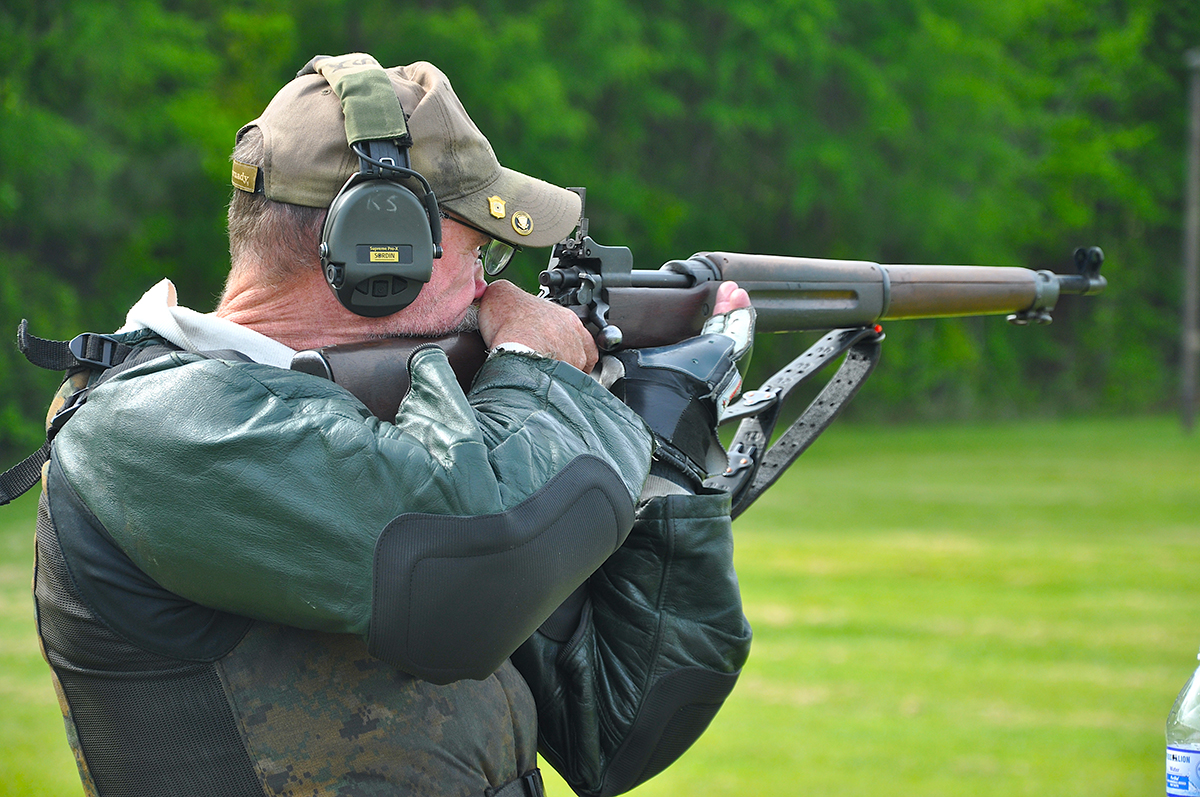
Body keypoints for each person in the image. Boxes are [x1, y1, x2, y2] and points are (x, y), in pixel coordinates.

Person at [29, 54, 752, 797]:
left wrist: (669, 437)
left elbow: (621, 729)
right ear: (382, 248)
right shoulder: (153, 426)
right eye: (482, 252)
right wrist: (546, 368)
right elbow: (471, 570)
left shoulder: (421, 436)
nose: (489, 288)